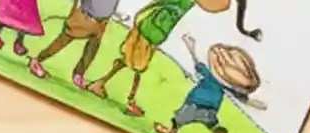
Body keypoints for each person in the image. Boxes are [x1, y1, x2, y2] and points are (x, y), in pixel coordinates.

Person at [86, 0, 260, 116]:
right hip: (152, 29)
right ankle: (127, 99)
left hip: (156, 30)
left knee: (130, 62)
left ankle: (100, 84)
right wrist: (143, 14)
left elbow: (219, 5)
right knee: (138, 67)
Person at [154, 35, 265, 133]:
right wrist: (256, 104)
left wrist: (191, 48)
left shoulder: (209, 75)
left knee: (180, 118)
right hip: (211, 108)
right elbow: (242, 99)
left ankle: (171, 132)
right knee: (209, 120)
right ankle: (216, 130)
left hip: (195, 102)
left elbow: (197, 64)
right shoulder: (225, 86)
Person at [28, 0, 123, 87]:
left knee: (92, 48)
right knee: (64, 39)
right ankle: (37, 61)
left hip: (101, 22)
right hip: (85, 16)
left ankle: (79, 73)